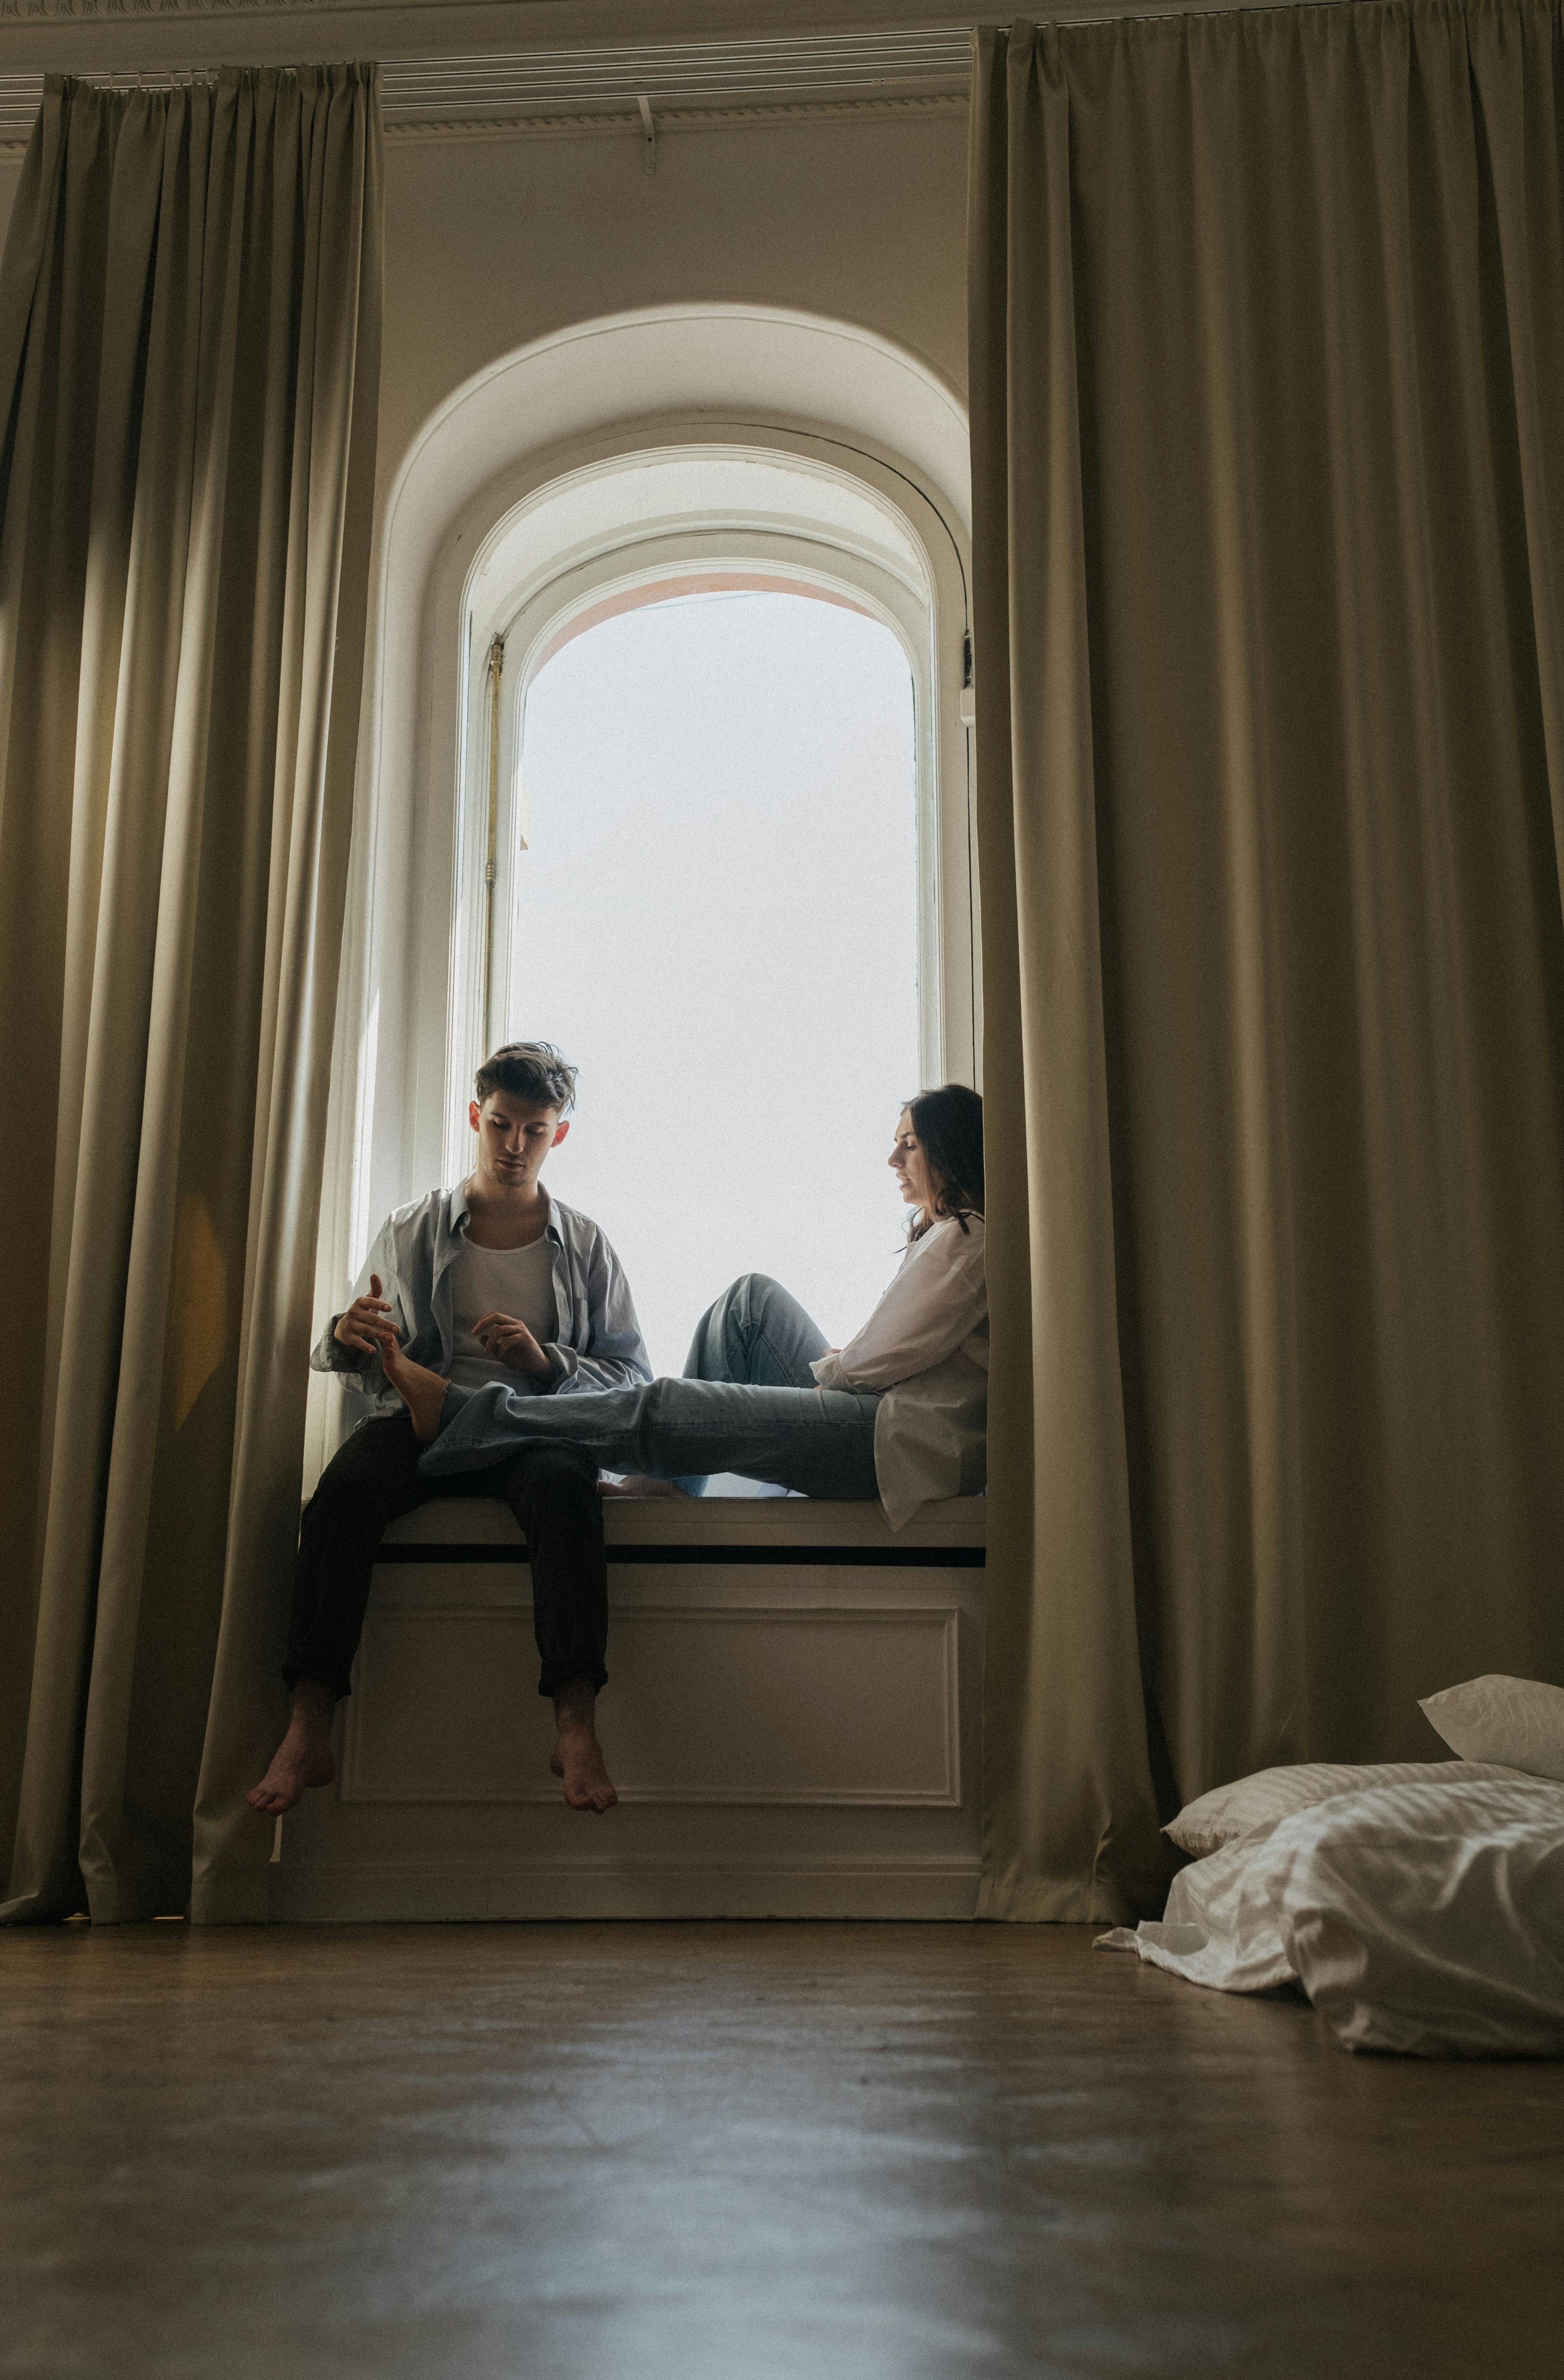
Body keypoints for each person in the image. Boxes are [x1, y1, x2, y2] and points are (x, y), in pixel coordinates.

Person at [247, 1041, 651, 1823]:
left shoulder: (587, 1244)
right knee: (341, 1495)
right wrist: (349, 1332)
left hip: (530, 1425)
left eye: (533, 1130)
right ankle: (307, 1726)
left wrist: (545, 1357)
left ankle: (574, 1726)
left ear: (557, 1135)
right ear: (476, 1116)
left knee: (567, 1496)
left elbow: (630, 1377)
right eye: (500, 1124)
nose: (513, 1145)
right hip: (423, 1419)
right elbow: (352, 1353)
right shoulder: (414, 1227)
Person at [379, 1085, 987, 1532]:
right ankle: (665, 1487)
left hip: (895, 1441)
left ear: (949, 1150)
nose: (893, 1160)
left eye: (909, 1144)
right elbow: (886, 1357)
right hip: (883, 1420)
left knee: (670, 1405)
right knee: (748, 1303)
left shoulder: (968, 1233)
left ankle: (469, 1415)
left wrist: (839, 1363)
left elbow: (870, 1367)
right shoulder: (952, 1235)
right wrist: (845, 1362)